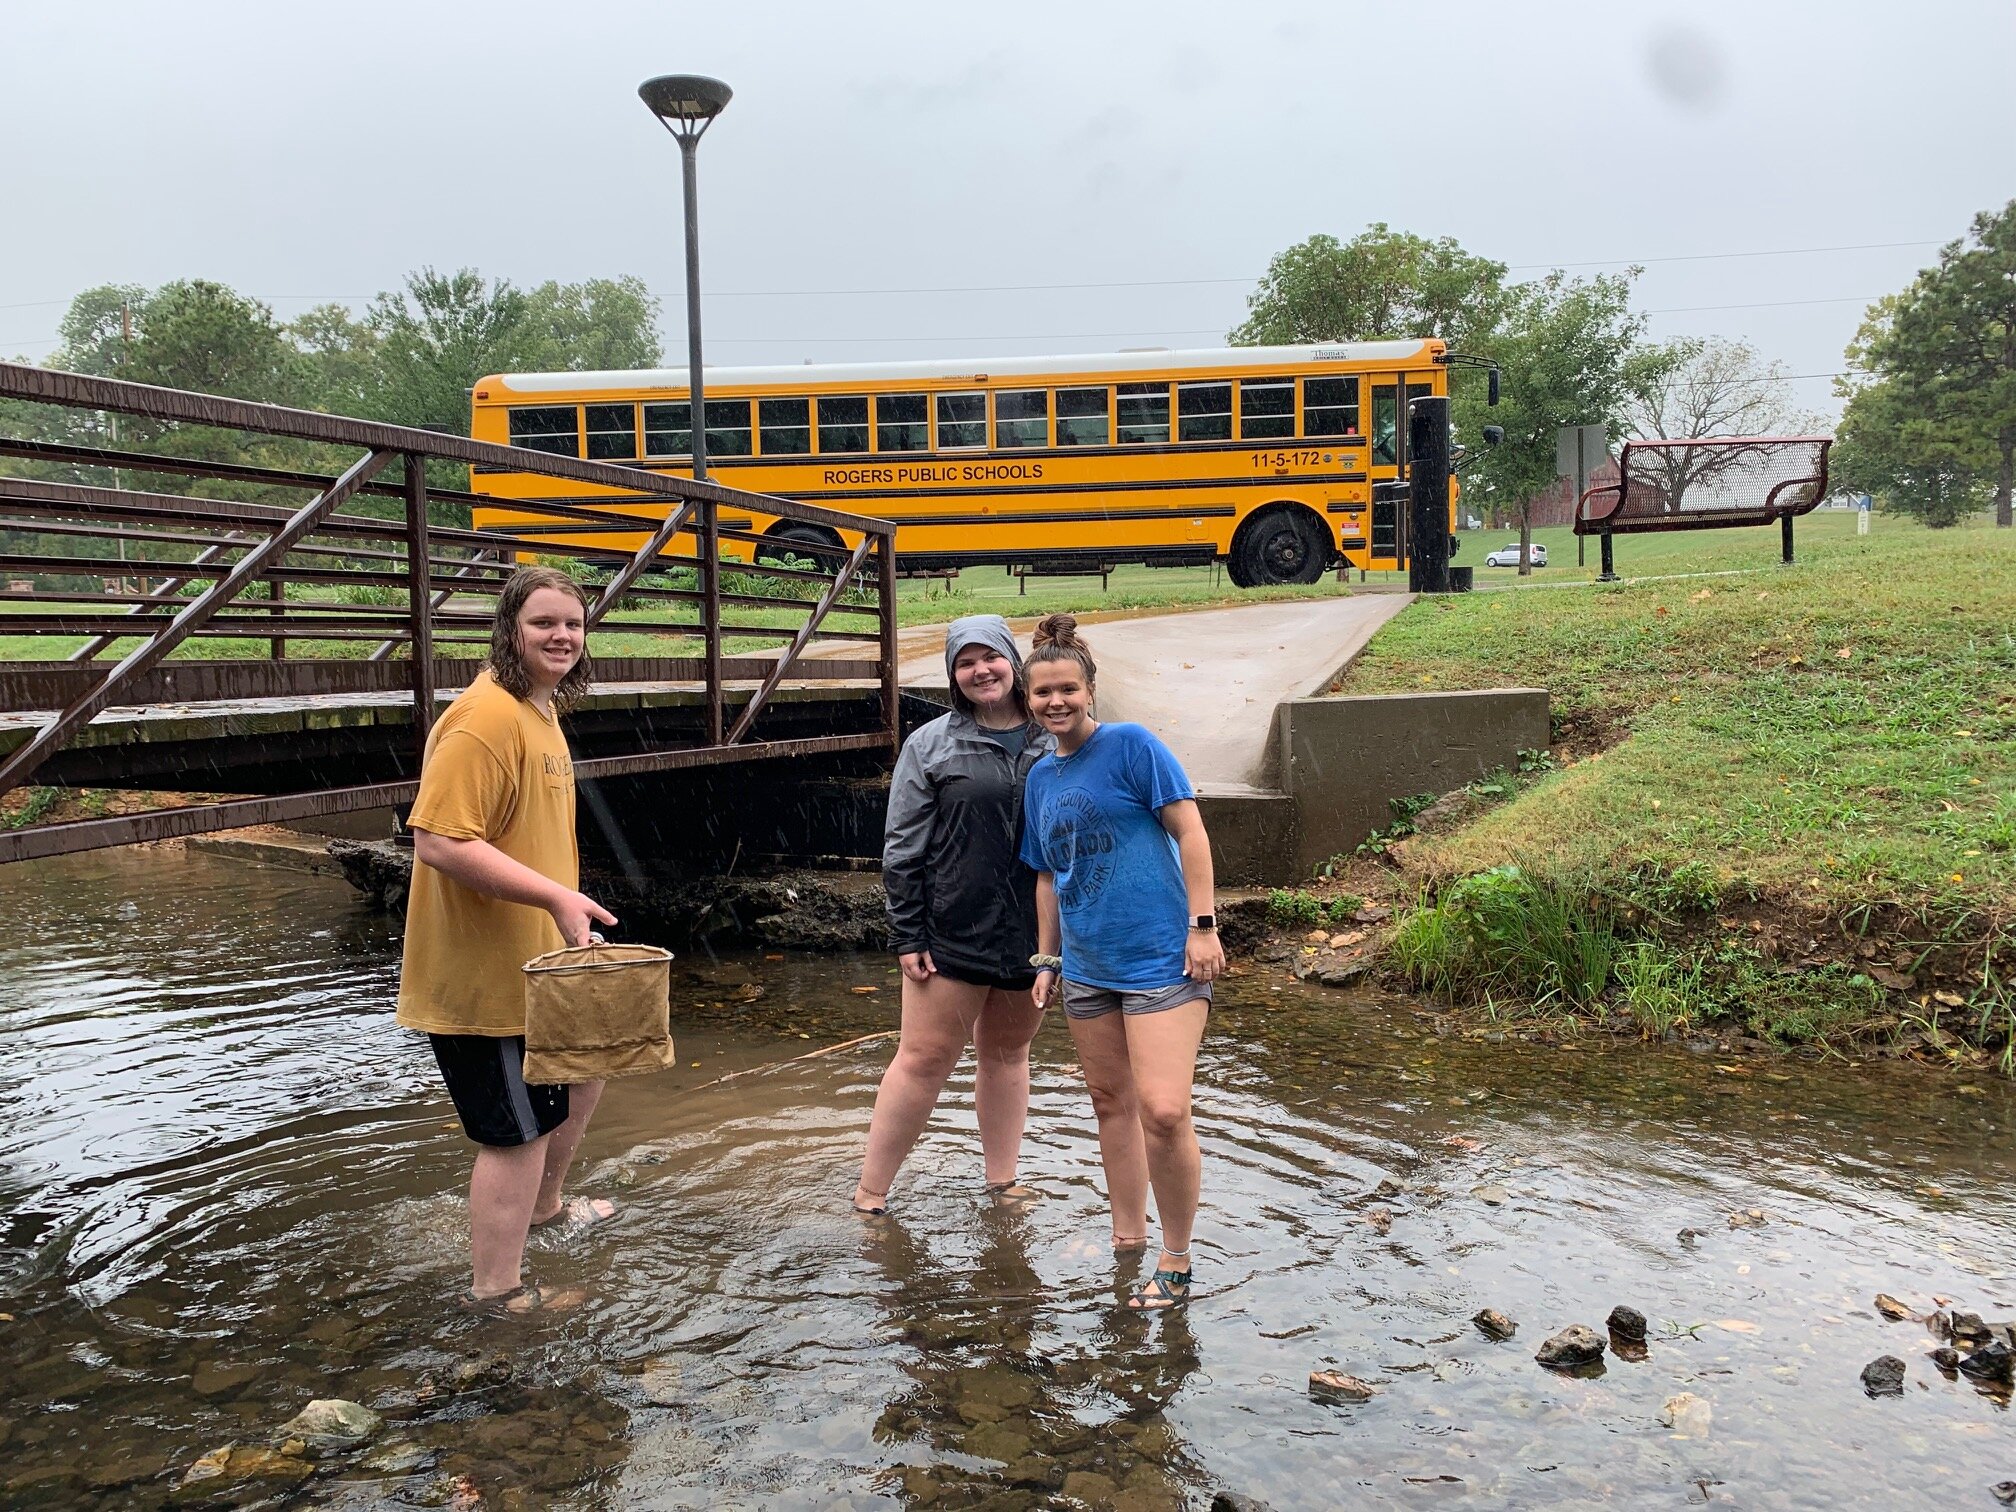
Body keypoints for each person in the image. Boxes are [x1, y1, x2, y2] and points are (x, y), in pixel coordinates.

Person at [395, 565, 620, 1315]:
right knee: (515, 1132)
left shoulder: (539, 707)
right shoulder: (482, 718)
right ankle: (498, 1293)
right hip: (483, 975)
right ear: (509, 631)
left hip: (548, 959)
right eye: (544, 624)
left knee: (586, 1075)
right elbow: (439, 842)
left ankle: (548, 1210)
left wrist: (566, 912)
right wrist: (558, 894)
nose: (561, 636)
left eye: (573, 624)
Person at [1018, 613, 1223, 1310]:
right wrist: (1047, 958)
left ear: (1090, 688)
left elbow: (1190, 829)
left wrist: (1203, 926)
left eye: (1067, 689)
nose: (1056, 702)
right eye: (1042, 692)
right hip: (1087, 966)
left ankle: (1177, 1259)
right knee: (1111, 1105)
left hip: (1162, 958)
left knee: (1163, 1110)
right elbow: (1048, 874)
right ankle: (1126, 1240)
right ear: (1027, 700)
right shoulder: (1039, 780)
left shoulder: (1134, 747)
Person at [852, 615, 1054, 1217]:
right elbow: (902, 845)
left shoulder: (1055, 735)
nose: (980, 670)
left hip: (1032, 933)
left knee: (1007, 1055)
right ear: (951, 674)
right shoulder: (931, 743)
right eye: (965, 662)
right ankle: (870, 1193)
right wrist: (907, 930)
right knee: (923, 1059)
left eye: (989, 657)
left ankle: (1002, 1181)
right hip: (949, 930)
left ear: (1012, 662)